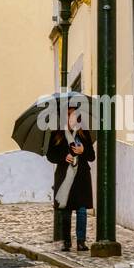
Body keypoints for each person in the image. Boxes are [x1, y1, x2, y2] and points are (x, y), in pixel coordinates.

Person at [47, 103, 95, 251]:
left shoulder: (83, 133)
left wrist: (83, 150)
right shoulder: (57, 134)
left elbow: (91, 156)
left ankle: (81, 241)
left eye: (74, 115)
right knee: (65, 210)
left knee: (81, 210)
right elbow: (50, 155)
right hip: (64, 177)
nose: (71, 118)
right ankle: (67, 241)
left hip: (81, 177)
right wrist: (64, 157)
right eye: (68, 115)